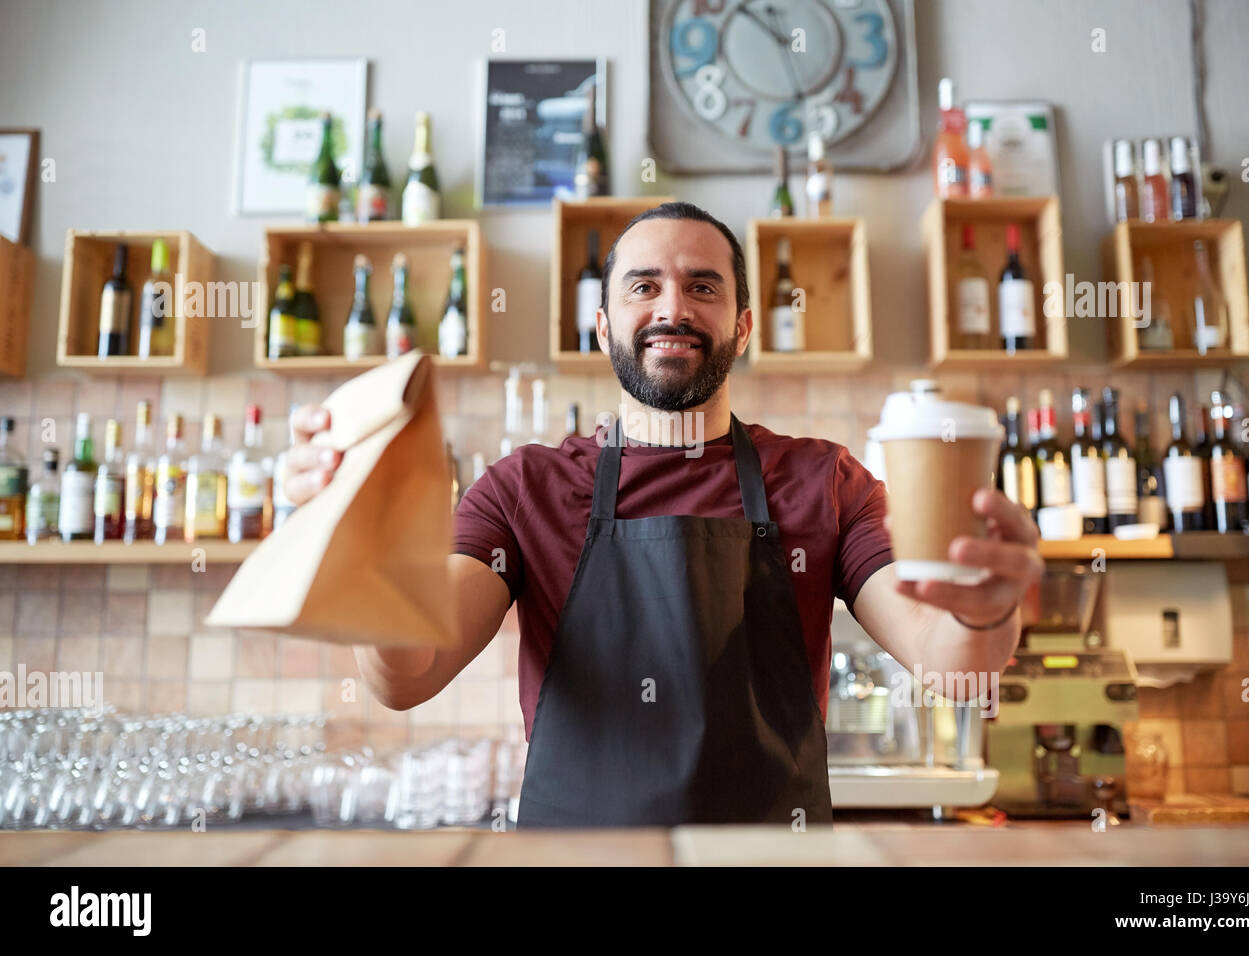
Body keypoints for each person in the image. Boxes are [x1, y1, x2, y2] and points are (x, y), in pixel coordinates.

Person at [285, 201, 1042, 827]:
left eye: (703, 287)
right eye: (642, 287)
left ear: (743, 327)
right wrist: (359, 553)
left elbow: (951, 667)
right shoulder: (526, 490)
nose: (672, 308)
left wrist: (984, 613)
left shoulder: (823, 480)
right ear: (603, 326)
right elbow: (407, 674)